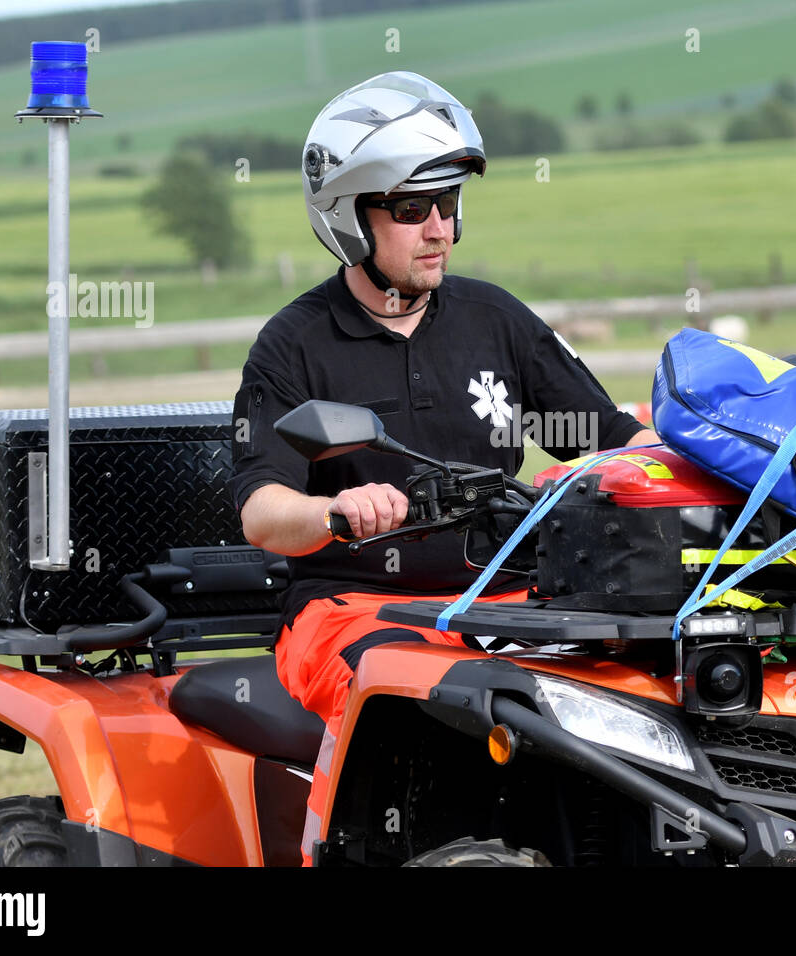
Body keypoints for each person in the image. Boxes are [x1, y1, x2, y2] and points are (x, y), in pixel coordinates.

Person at [228, 71, 657, 864]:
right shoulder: (294, 345)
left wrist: (713, 459)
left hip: (512, 601)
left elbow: (611, 440)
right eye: (412, 208)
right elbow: (262, 509)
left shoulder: (495, 320)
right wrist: (335, 513)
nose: (439, 230)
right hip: (352, 608)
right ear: (352, 220)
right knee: (436, 709)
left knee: (636, 712)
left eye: (450, 203)